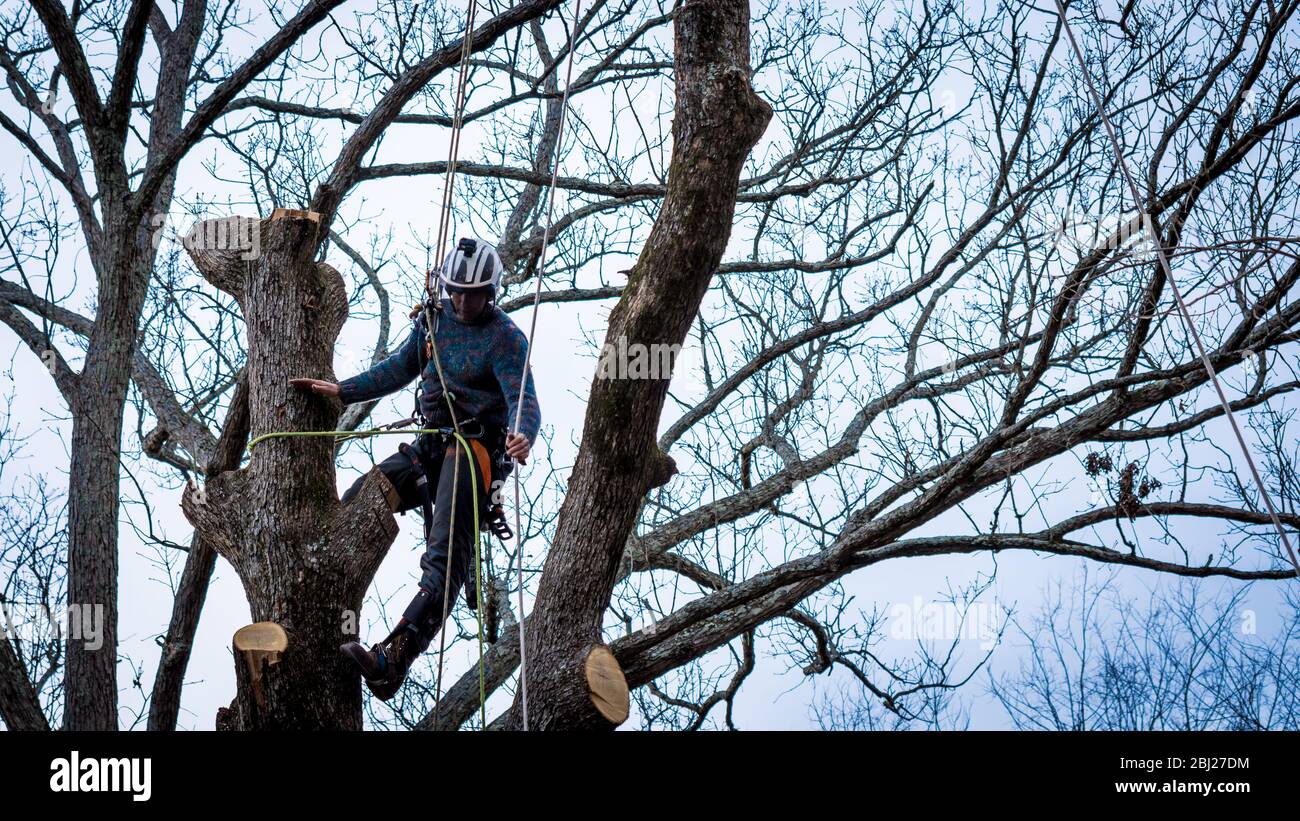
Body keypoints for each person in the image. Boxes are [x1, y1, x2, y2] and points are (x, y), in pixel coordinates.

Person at [290, 237, 540, 700]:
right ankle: (323, 591)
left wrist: (522, 434)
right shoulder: (434, 321)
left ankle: (393, 658)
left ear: (493, 291)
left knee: (445, 559)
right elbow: (398, 369)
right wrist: (343, 390)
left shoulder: (505, 338)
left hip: (472, 453)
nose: (464, 301)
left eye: (475, 292)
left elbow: (523, 400)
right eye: (456, 291)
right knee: (362, 497)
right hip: (429, 447)